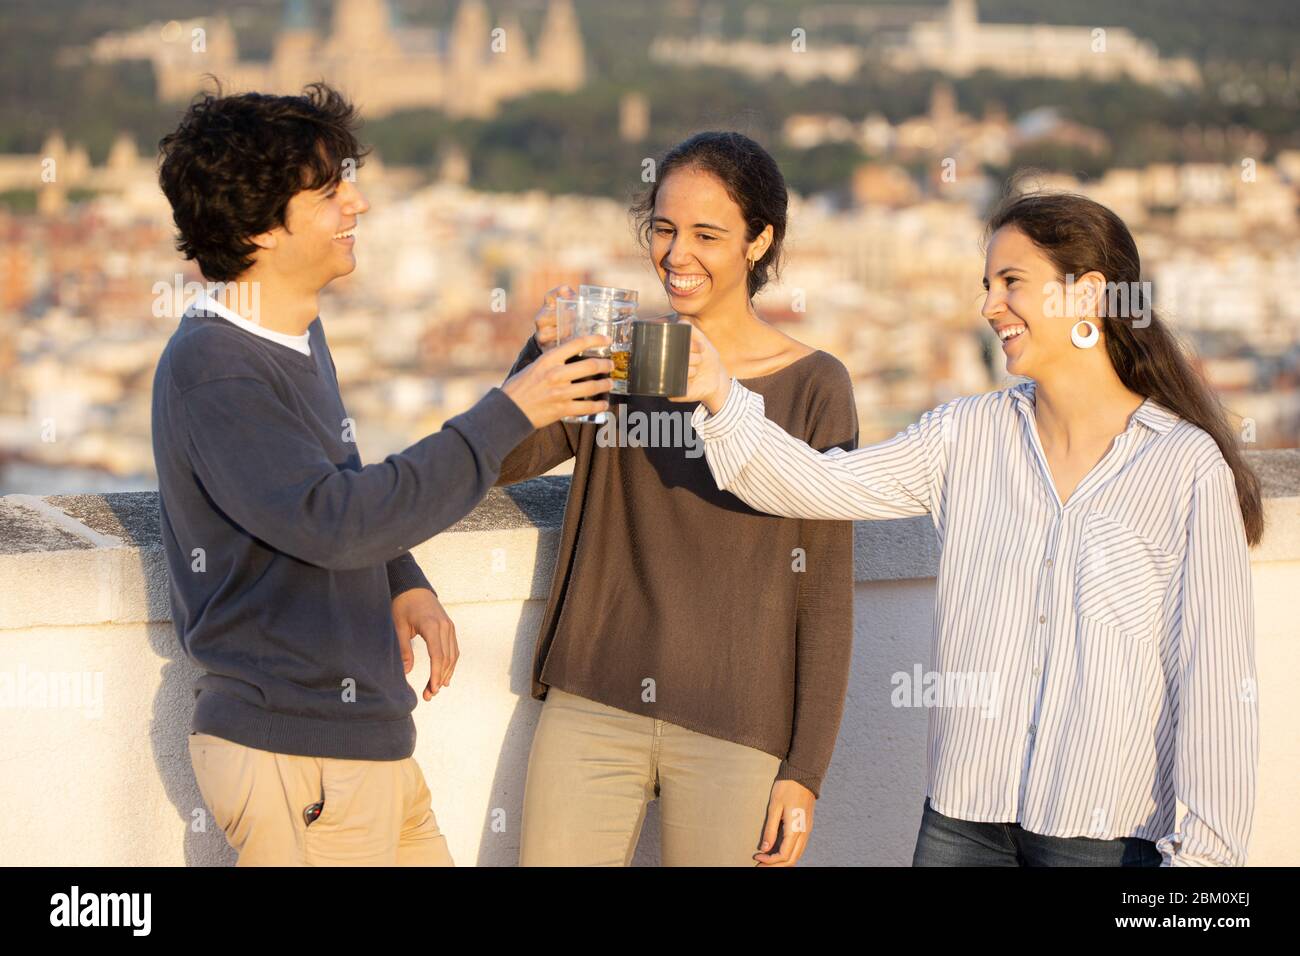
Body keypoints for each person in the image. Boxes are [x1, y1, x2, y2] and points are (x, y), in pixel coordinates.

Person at [679, 190, 1261, 867]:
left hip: (1109, 838)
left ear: (1088, 295)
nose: (989, 306)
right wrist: (720, 392)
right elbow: (819, 483)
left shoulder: (1184, 467)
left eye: (1011, 282)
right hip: (960, 826)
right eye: (988, 285)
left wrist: (1203, 866)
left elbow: (1218, 687)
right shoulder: (967, 434)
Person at [152, 82, 611, 866]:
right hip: (300, 755)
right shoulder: (216, 368)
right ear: (263, 227)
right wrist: (510, 408)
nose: (357, 204)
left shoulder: (293, 336)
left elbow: (337, 484)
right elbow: (338, 520)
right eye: (330, 191)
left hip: (361, 745)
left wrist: (400, 575)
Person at [497, 131, 858, 866]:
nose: (675, 253)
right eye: (663, 229)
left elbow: (823, 591)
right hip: (591, 701)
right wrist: (541, 357)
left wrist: (805, 772)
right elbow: (500, 461)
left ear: (759, 242)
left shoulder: (816, 385)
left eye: (706, 234)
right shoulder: (620, 357)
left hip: (738, 723)